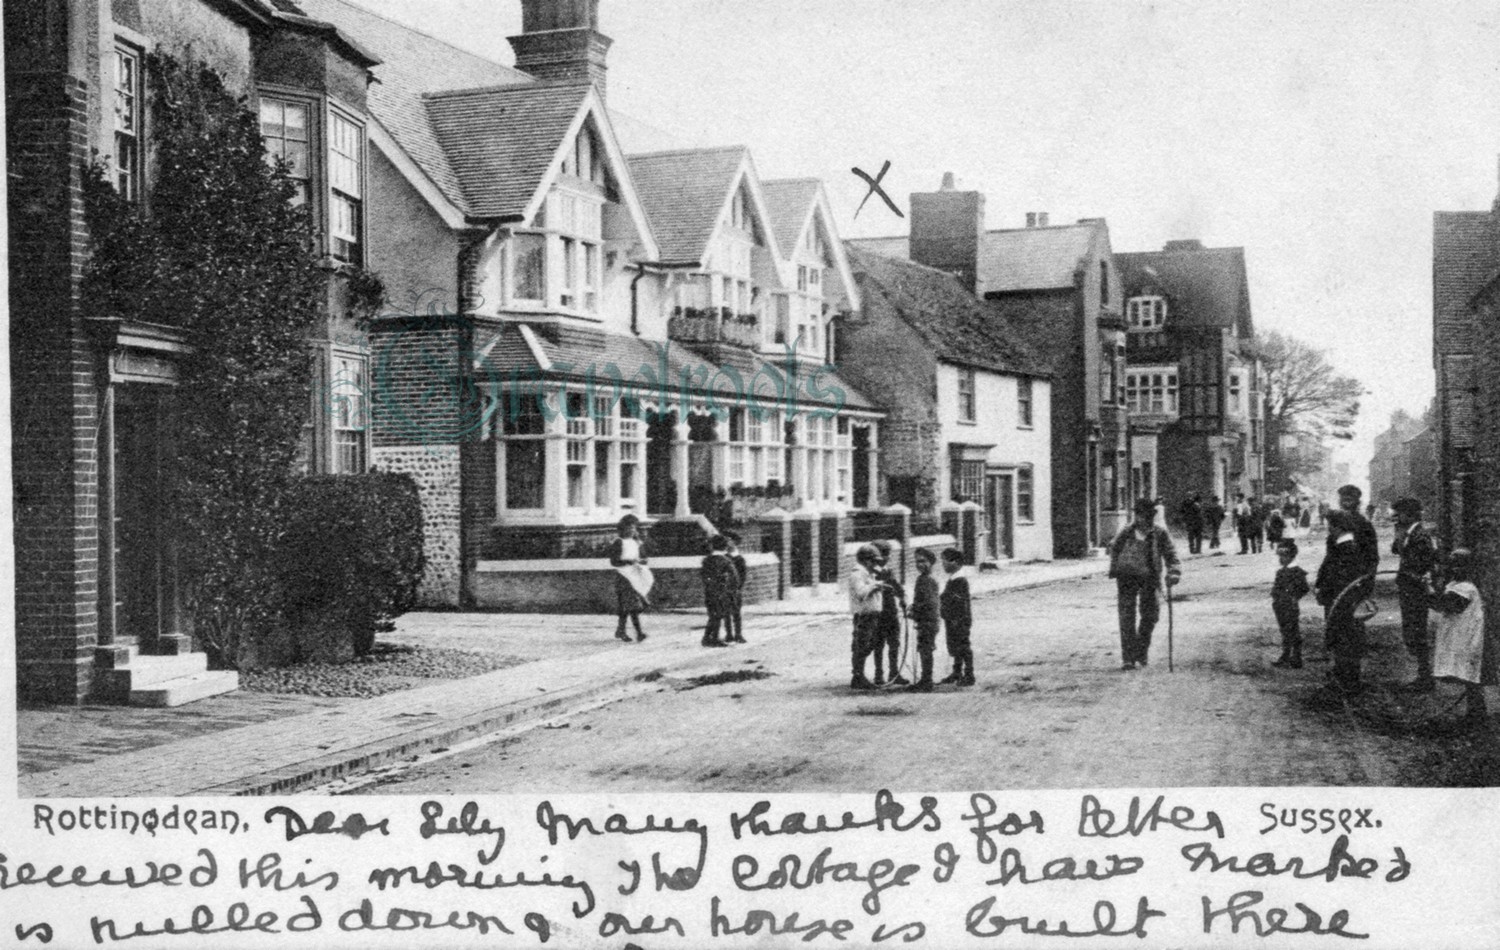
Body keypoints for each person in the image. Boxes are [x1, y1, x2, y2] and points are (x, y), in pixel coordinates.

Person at [1108, 497, 1182, 669]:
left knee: (1150, 615)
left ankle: (1140, 651)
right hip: (1126, 577)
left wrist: (1174, 572)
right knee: (1126, 617)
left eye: (1148, 516)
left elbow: (1171, 553)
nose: (1143, 519)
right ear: (1136, 515)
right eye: (1140, 515)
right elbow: (1115, 549)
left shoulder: (1159, 533)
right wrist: (1115, 566)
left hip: (1150, 577)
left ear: (1152, 516)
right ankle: (1128, 658)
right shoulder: (1126, 532)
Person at [1427, 548, 1488, 728]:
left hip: (1468, 636)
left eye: (1459, 565)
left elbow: (1445, 605)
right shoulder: (1455, 584)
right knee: (1469, 675)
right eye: (1452, 565)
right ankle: (1475, 712)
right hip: (1461, 634)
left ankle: (1477, 713)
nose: (1454, 569)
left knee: (1471, 673)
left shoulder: (1466, 588)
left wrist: (1428, 589)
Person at [1316, 511, 1369, 693]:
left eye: (1330, 525)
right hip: (1338, 600)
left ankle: (1349, 681)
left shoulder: (1348, 548)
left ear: (1338, 527)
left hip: (1343, 601)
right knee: (1341, 638)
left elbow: (1339, 577)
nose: (1328, 529)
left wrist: (1325, 590)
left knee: (1345, 639)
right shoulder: (1338, 545)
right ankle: (1342, 677)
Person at [1391, 498, 1437, 691]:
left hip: (1415, 590)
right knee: (1412, 630)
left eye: (1399, 514)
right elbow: (1394, 549)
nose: (1396, 517)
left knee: (1417, 631)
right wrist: (1399, 534)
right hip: (1408, 589)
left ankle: (1425, 677)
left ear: (1409, 515)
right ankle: (1423, 675)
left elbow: (1422, 564)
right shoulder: (1409, 533)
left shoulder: (1421, 536)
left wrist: (1412, 575)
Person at [848, 544, 886, 690]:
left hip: (871, 615)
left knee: (868, 644)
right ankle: (858, 676)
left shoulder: (867, 573)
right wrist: (875, 586)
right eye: (873, 561)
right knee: (861, 645)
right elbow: (860, 593)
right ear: (866, 561)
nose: (875, 565)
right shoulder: (857, 574)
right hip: (864, 615)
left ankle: (859, 674)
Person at [870, 540, 908, 686]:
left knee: (894, 643)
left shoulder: (887, 570)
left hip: (891, 612)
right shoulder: (870, 571)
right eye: (883, 554)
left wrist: (902, 597)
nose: (886, 558)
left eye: (887, 554)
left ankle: (894, 672)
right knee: (878, 644)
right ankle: (878, 675)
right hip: (878, 612)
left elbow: (895, 585)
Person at [608, 515, 651, 642]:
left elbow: (642, 556)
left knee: (626, 606)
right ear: (623, 529)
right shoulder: (618, 542)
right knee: (632, 605)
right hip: (624, 577)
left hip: (636, 576)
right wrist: (629, 562)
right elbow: (614, 561)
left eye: (634, 528)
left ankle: (621, 630)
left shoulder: (635, 542)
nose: (632, 530)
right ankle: (639, 633)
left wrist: (642, 560)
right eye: (629, 528)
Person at [1271, 539, 1310, 668]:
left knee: (1292, 630)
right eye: (1280, 556)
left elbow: (1304, 588)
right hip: (1280, 605)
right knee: (1285, 630)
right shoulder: (1281, 571)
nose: (1281, 559)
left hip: (1290, 605)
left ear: (1291, 556)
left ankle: (1296, 656)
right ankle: (1287, 655)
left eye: (1284, 556)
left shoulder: (1297, 572)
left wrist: (1294, 597)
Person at [938, 548, 974, 686]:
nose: (943, 565)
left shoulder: (960, 580)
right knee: (955, 645)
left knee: (963, 646)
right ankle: (957, 672)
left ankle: (969, 674)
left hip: (959, 619)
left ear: (956, 562)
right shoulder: (953, 579)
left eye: (945, 561)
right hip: (952, 619)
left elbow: (959, 601)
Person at [907, 548, 941, 692]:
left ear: (931, 562)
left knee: (926, 649)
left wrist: (915, 610)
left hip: (929, 620)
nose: (919, 564)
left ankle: (927, 681)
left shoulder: (928, 580)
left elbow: (930, 602)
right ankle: (925, 679)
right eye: (917, 562)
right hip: (925, 620)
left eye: (923, 561)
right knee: (923, 649)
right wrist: (913, 606)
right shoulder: (922, 578)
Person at [700, 535, 738, 648]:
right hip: (723, 592)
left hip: (710, 591)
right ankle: (712, 638)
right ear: (725, 547)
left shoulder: (706, 560)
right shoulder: (726, 561)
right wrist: (732, 590)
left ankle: (708, 637)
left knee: (713, 615)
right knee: (719, 614)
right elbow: (735, 578)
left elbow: (703, 575)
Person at [724, 530, 748, 644]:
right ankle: (729, 634)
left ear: (734, 543)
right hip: (724, 589)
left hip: (735, 590)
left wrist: (738, 588)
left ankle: (738, 634)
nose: (728, 543)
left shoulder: (739, 559)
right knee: (726, 613)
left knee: (736, 612)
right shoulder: (723, 558)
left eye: (730, 541)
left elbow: (743, 576)